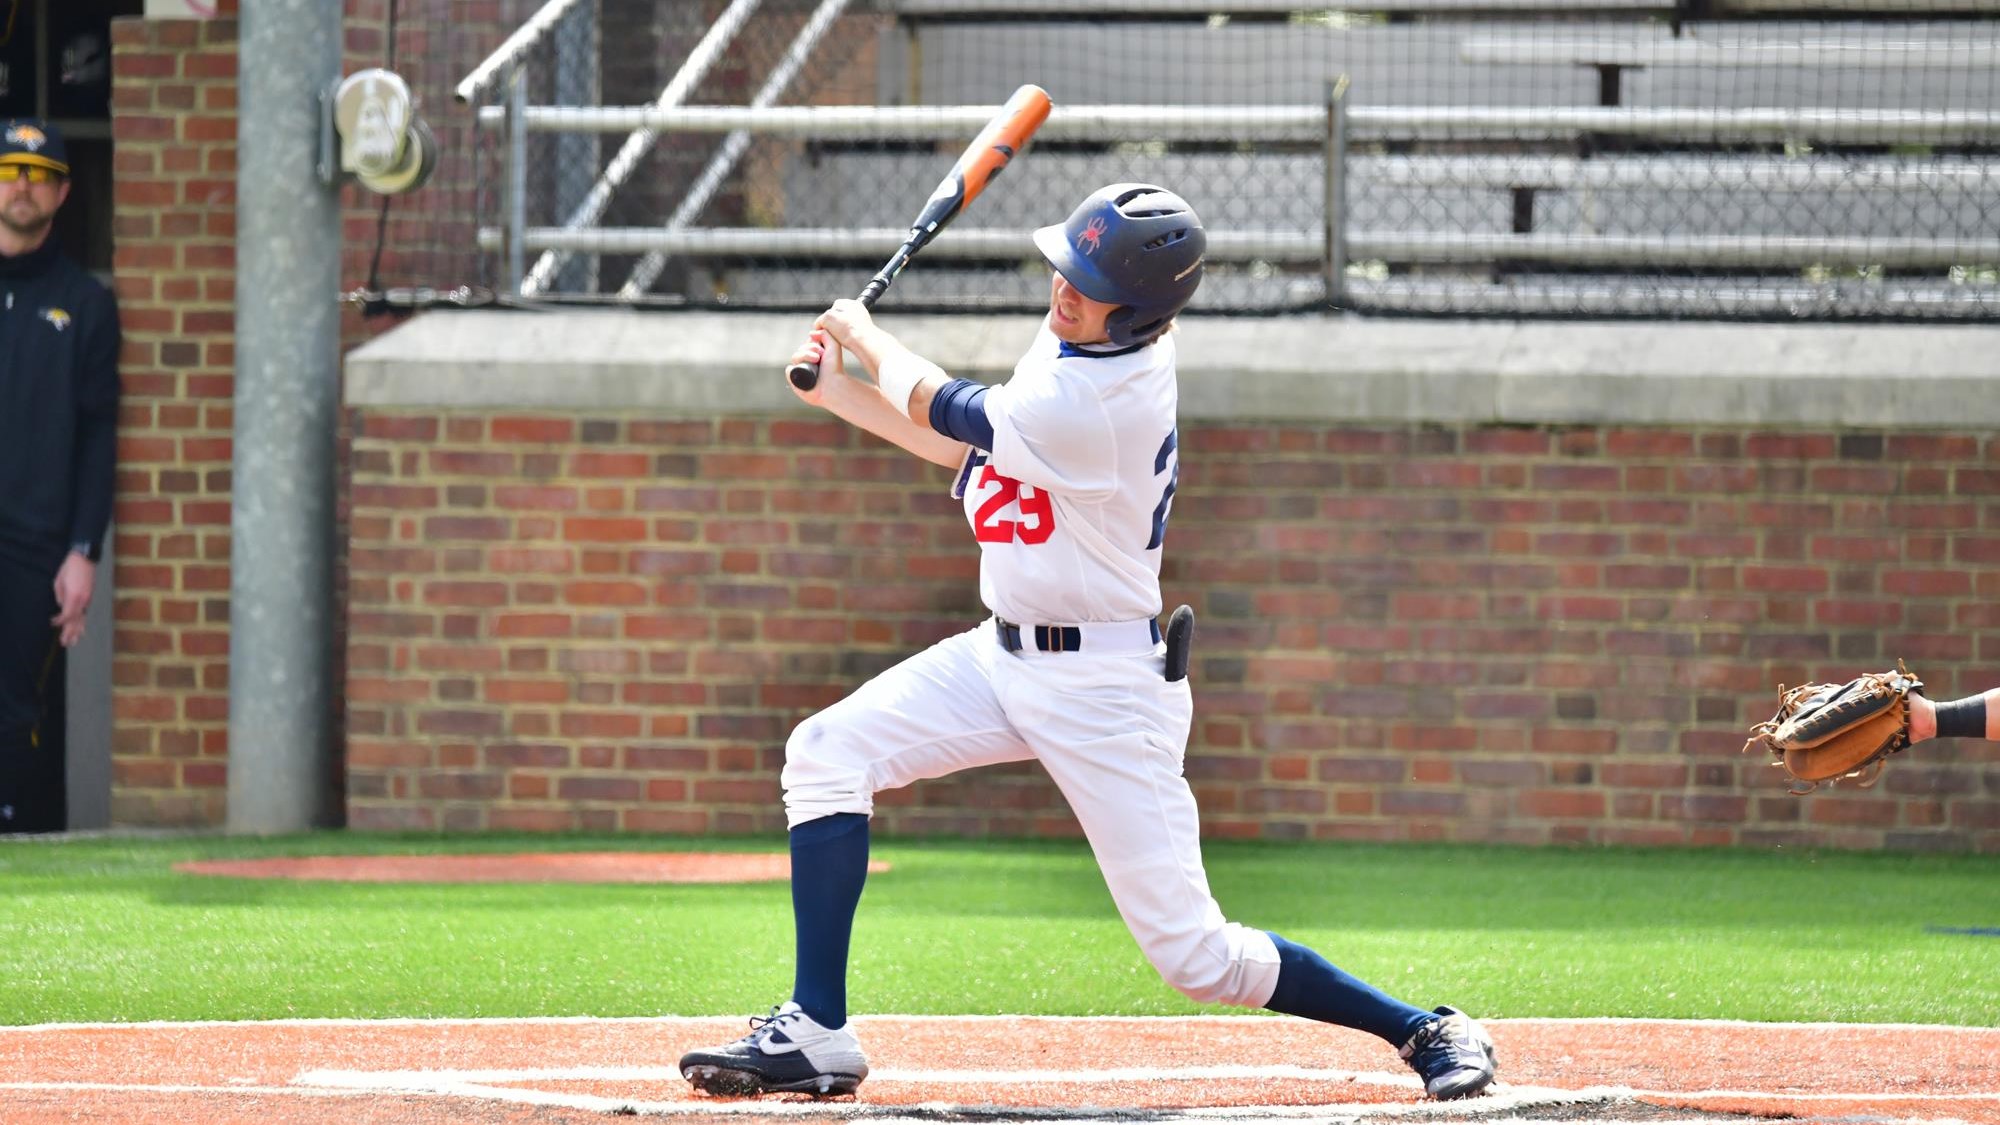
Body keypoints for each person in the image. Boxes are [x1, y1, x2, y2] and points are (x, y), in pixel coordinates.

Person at [677, 184, 1498, 1101]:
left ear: (1140, 309)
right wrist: (841, 391)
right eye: (1067, 267)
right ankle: (817, 1027)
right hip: (1002, 655)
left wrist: (862, 337)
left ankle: (1423, 1027)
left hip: (1107, 685)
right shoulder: (1078, 342)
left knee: (1197, 956)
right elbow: (972, 455)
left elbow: (954, 412)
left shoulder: (1104, 398)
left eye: (1091, 280)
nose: (1065, 289)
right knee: (826, 752)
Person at [0, 119, 119, 834]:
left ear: (64, 192)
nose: (21, 185)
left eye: (39, 174)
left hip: (36, 542)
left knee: (21, 707)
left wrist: (84, 548)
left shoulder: (84, 303)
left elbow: (98, 431)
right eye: (10, 169)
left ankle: (26, 848)